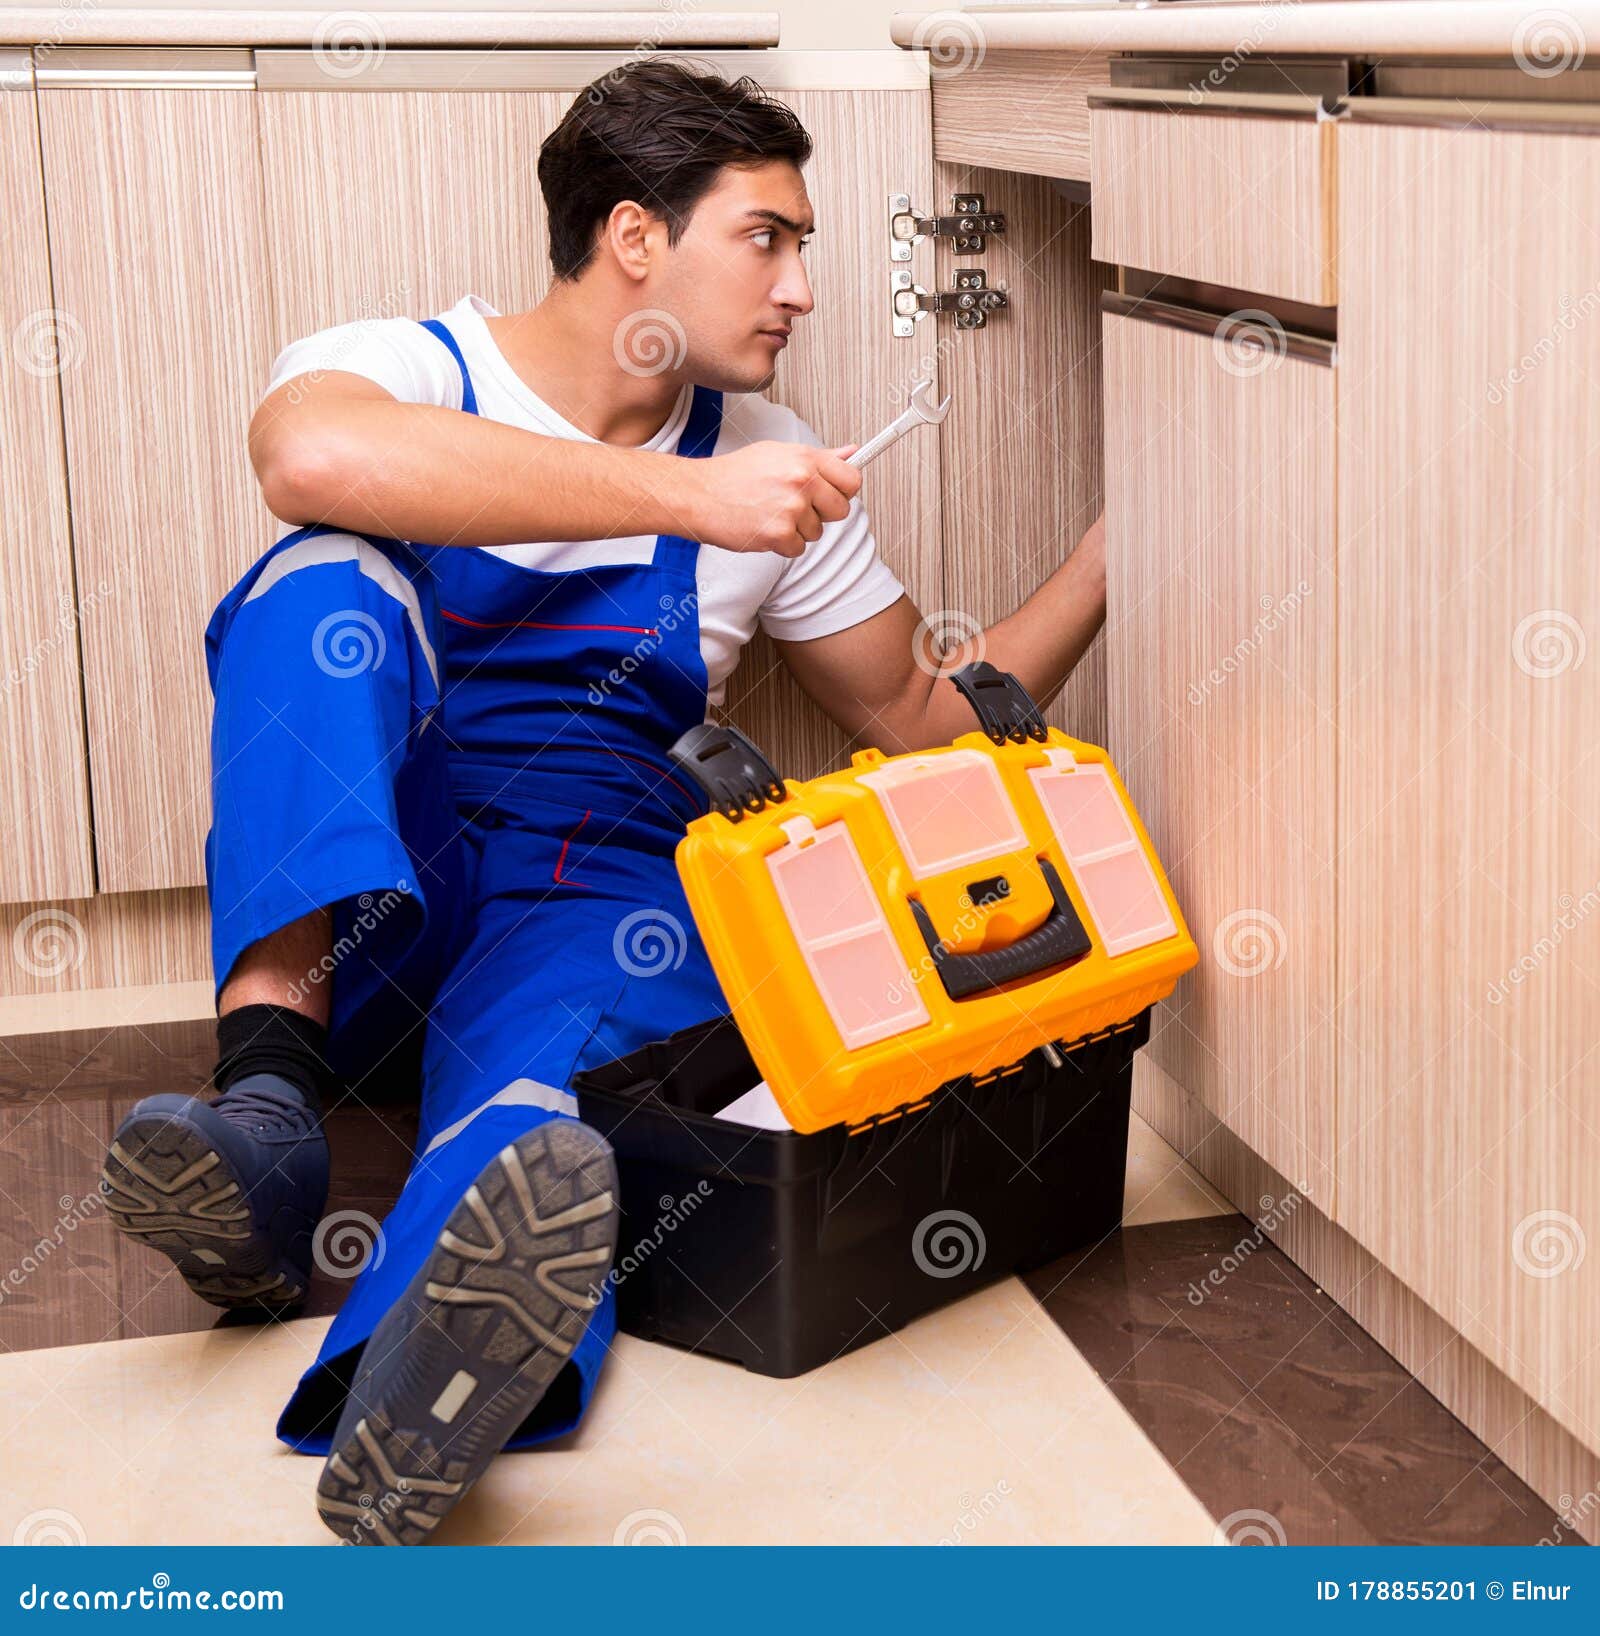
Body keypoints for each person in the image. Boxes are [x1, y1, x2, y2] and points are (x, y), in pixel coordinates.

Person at [99, 57, 1106, 1545]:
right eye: (768, 236)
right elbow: (304, 456)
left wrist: (1128, 544)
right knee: (321, 587)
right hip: (381, 881)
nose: (803, 287)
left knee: (548, 1086)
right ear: (637, 238)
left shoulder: (768, 461)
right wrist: (687, 504)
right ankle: (266, 1121)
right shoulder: (414, 363)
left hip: (584, 882)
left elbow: (917, 718)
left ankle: (403, 1381)